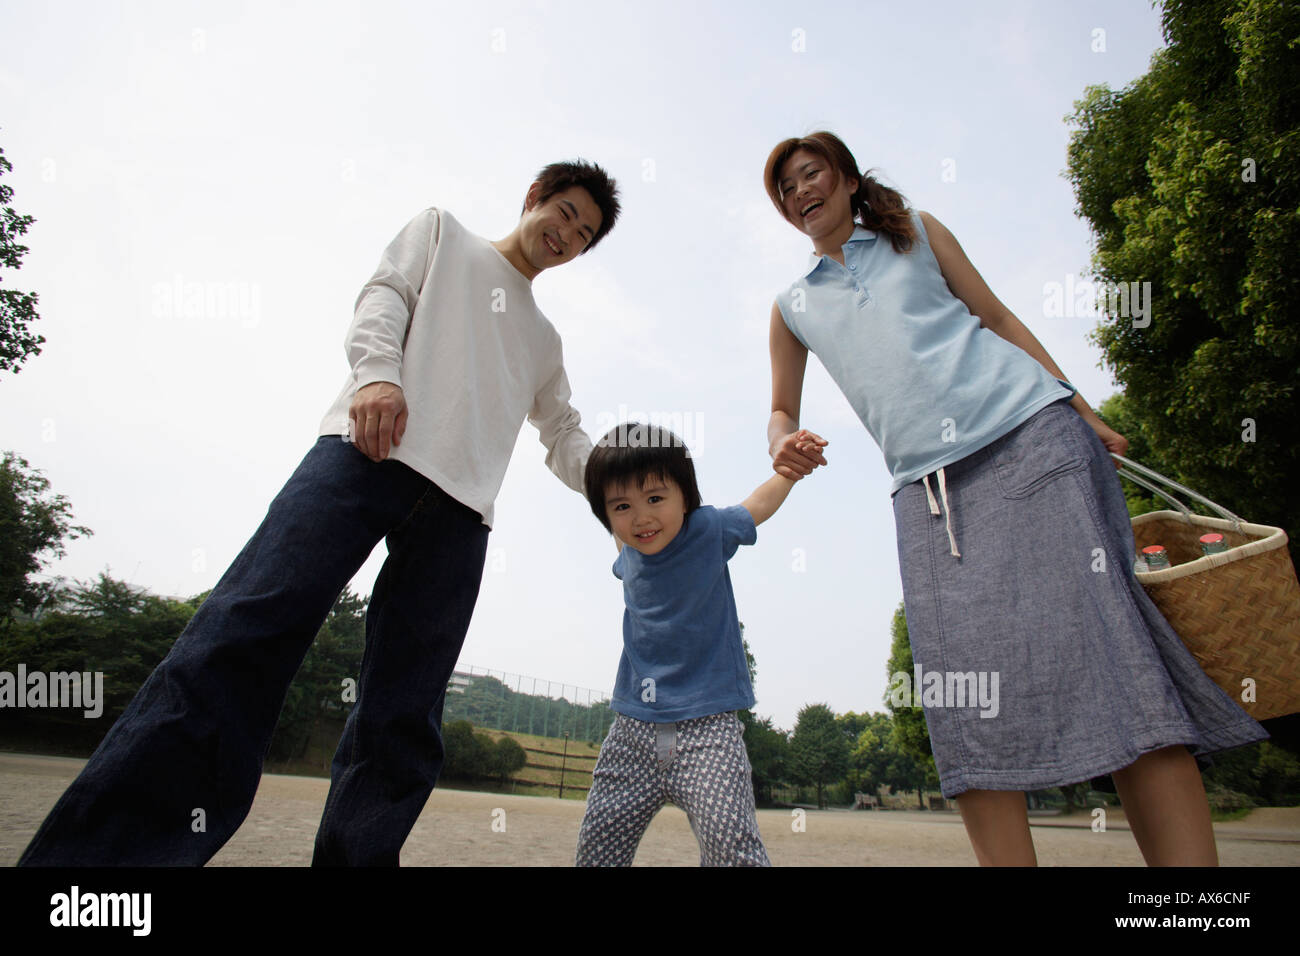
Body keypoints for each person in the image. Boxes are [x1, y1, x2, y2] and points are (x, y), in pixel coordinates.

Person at [19, 160, 621, 867]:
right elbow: (385, 295)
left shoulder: (544, 341)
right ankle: (99, 869)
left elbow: (563, 434)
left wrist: (629, 483)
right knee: (241, 637)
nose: (569, 234)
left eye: (584, 234)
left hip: (459, 517)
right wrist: (377, 374)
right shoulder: (442, 232)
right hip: (365, 450)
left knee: (403, 710)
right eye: (567, 213)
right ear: (535, 198)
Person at [761, 131, 1267, 866]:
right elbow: (780, 408)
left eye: (811, 175)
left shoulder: (918, 233)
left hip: (1033, 439)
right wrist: (781, 439)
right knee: (962, 706)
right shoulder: (792, 304)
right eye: (785, 189)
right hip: (929, 499)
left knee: (1114, 662)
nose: (800, 193)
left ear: (843, 179)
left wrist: (1084, 410)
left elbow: (996, 319)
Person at [574, 421, 812, 866]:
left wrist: (790, 470)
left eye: (656, 498)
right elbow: (589, 477)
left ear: (686, 497)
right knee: (597, 847)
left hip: (709, 729)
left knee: (731, 845)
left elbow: (756, 506)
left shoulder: (707, 530)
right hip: (633, 727)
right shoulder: (626, 553)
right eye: (622, 506)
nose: (642, 517)